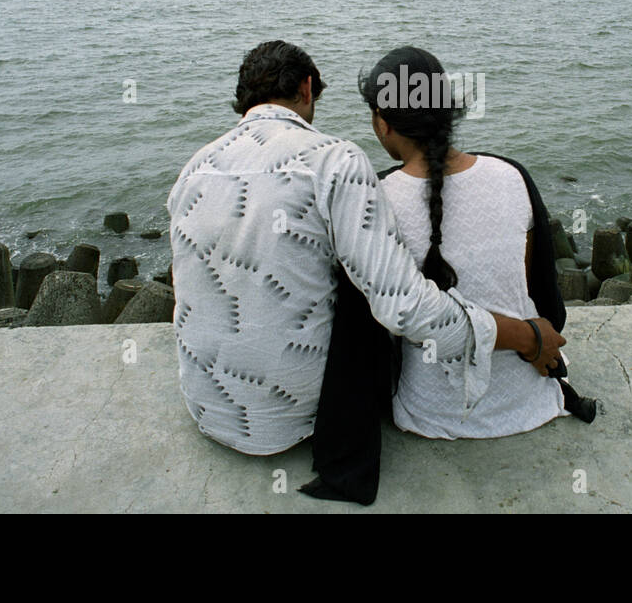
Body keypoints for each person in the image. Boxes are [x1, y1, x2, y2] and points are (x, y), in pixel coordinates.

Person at [166, 40, 565, 467]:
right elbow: (408, 306)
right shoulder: (335, 161)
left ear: (383, 122)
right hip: (298, 418)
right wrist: (529, 335)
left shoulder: (193, 167)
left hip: (205, 407)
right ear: (306, 88)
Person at [360, 45, 595, 438]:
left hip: (430, 412)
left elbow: (385, 322)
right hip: (527, 397)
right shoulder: (511, 175)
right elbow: (547, 299)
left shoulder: (379, 197)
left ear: (383, 123)